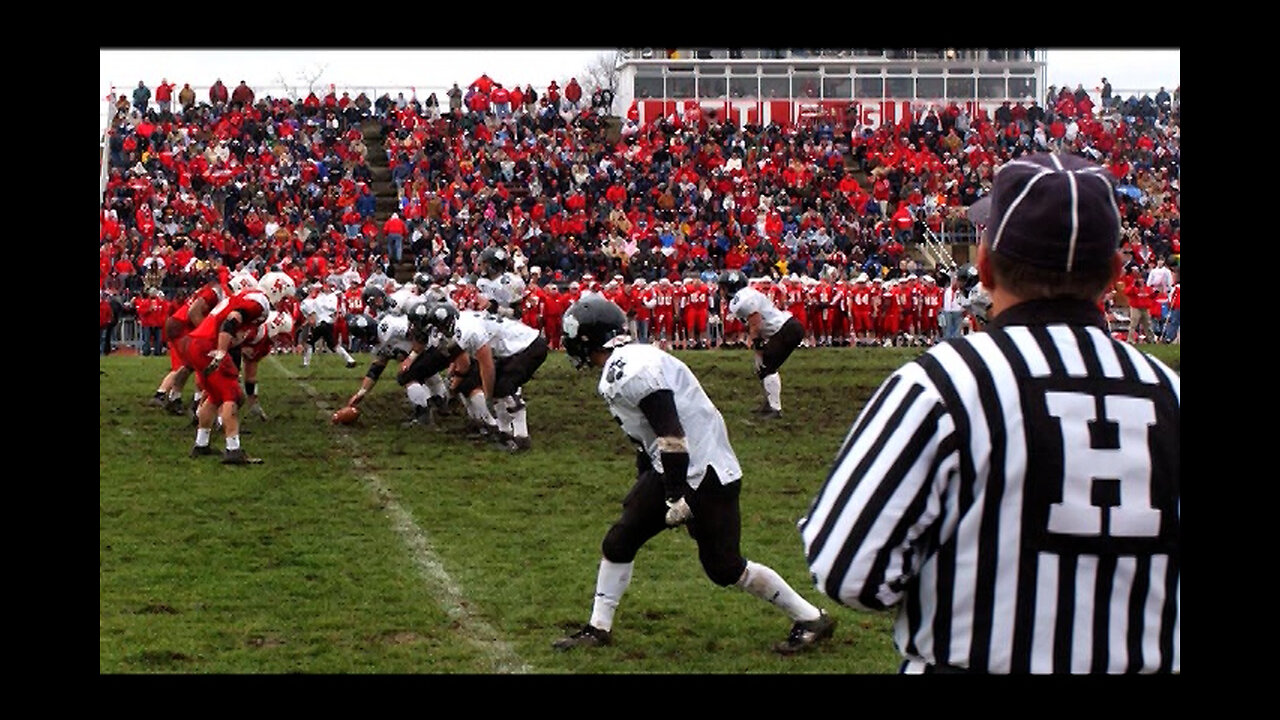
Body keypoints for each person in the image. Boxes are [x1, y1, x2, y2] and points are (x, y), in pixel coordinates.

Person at [800, 153, 1180, 674]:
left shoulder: (941, 383)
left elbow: (848, 570)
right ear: (1115, 274)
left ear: (984, 267)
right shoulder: (1171, 393)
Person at [552, 296, 836, 654]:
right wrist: (650, 483)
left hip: (699, 472)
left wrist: (674, 495)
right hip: (694, 466)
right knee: (620, 540)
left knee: (724, 567)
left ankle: (811, 618)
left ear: (588, 338)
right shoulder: (636, 358)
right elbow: (651, 440)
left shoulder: (627, 370)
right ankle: (598, 628)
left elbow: (671, 435)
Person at [180, 271, 295, 464]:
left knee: (215, 396)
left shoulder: (249, 295)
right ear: (277, 290)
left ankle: (201, 444)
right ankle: (233, 450)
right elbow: (231, 320)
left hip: (197, 343)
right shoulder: (259, 303)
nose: (284, 303)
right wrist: (222, 351)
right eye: (284, 297)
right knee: (232, 396)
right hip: (209, 344)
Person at [422, 302, 548, 452]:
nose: (441, 331)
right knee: (497, 389)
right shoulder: (461, 322)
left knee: (502, 387)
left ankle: (522, 438)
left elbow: (487, 365)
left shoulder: (469, 331)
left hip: (527, 346)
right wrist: (453, 379)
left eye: (442, 326)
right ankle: (504, 433)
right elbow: (462, 360)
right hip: (513, 349)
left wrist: (487, 396)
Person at [342, 287, 454, 428]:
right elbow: (376, 369)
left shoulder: (388, 326)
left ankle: (423, 414)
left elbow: (420, 332)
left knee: (406, 375)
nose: (363, 340)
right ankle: (441, 401)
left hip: (435, 345)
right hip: (431, 349)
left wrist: (411, 356)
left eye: (362, 337)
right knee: (417, 370)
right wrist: (361, 393)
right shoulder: (379, 345)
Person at [719, 270, 803, 419]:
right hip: (786, 328)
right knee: (763, 367)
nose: (721, 291)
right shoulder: (747, 293)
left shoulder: (740, 300)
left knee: (767, 366)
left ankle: (775, 409)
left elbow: (755, 321)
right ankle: (770, 403)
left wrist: (756, 345)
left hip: (786, 329)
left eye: (724, 287)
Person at [299, 280, 358, 369]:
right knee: (333, 345)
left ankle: (306, 364)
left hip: (322, 324)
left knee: (309, 343)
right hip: (328, 324)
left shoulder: (311, 301)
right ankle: (350, 360)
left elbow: (314, 316)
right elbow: (332, 310)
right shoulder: (322, 298)